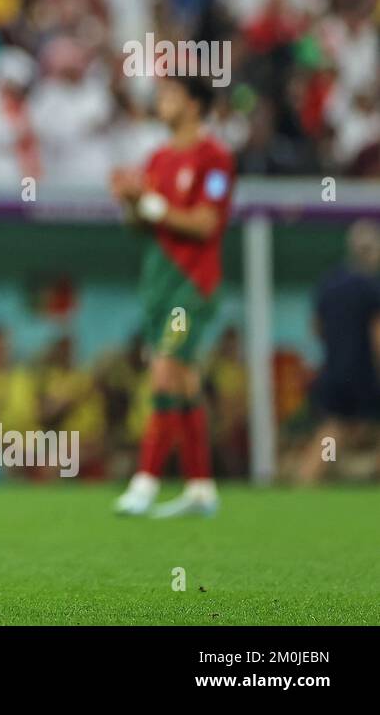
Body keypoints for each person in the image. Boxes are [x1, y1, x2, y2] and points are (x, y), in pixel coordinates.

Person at [111, 72, 235, 517]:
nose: (161, 102)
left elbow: (204, 224)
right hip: (157, 283)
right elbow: (140, 225)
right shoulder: (157, 159)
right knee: (183, 383)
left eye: (170, 95)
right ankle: (202, 489)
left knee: (164, 371)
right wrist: (129, 200)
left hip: (192, 286)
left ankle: (144, 483)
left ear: (195, 104)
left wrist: (149, 203)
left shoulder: (215, 158)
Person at [297, 220, 380, 482]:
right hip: (363, 373)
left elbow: (316, 329)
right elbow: (377, 334)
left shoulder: (328, 283)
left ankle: (304, 482)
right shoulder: (372, 287)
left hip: (334, 370)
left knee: (332, 429)